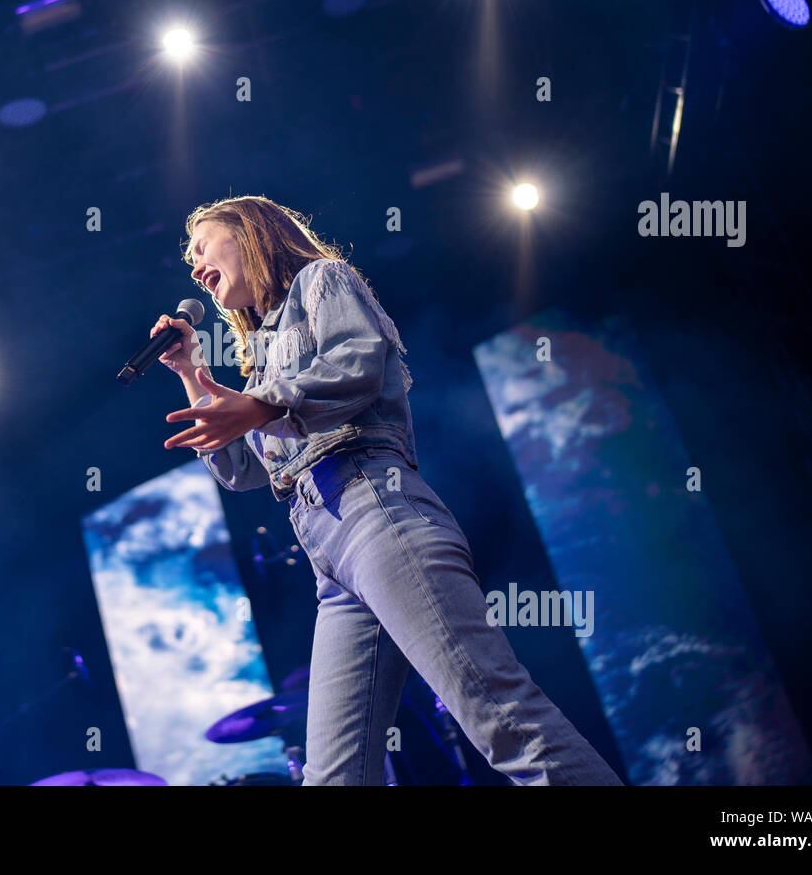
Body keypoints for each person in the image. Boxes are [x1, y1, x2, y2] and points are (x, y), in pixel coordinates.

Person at [152, 194, 623, 786]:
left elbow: (358, 364)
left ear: (249, 234)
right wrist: (193, 374)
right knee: (334, 777)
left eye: (201, 247)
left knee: (500, 717)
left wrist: (261, 405)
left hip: (374, 508)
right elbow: (242, 472)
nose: (194, 267)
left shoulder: (322, 280)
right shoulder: (264, 360)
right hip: (331, 560)